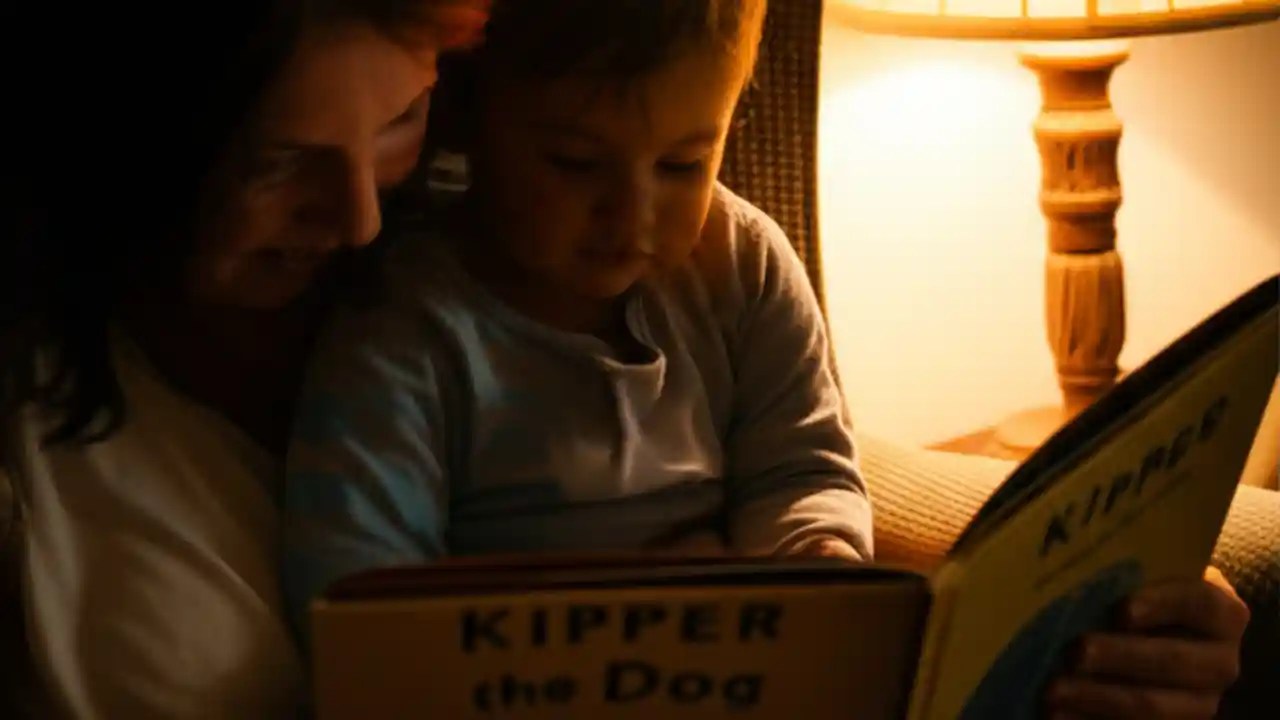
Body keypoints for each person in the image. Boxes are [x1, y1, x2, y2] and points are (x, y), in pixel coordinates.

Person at [279, 2, 1252, 719]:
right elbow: (360, 596)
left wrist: (820, 577)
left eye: (682, 164)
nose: (634, 218)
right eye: (574, 165)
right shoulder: (407, 327)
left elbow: (802, 469)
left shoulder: (738, 263)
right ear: (473, 126)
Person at [0, 1, 488, 717]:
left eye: (399, 121)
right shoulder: (33, 432)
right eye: (278, 163)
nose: (360, 220)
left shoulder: (500, 285)